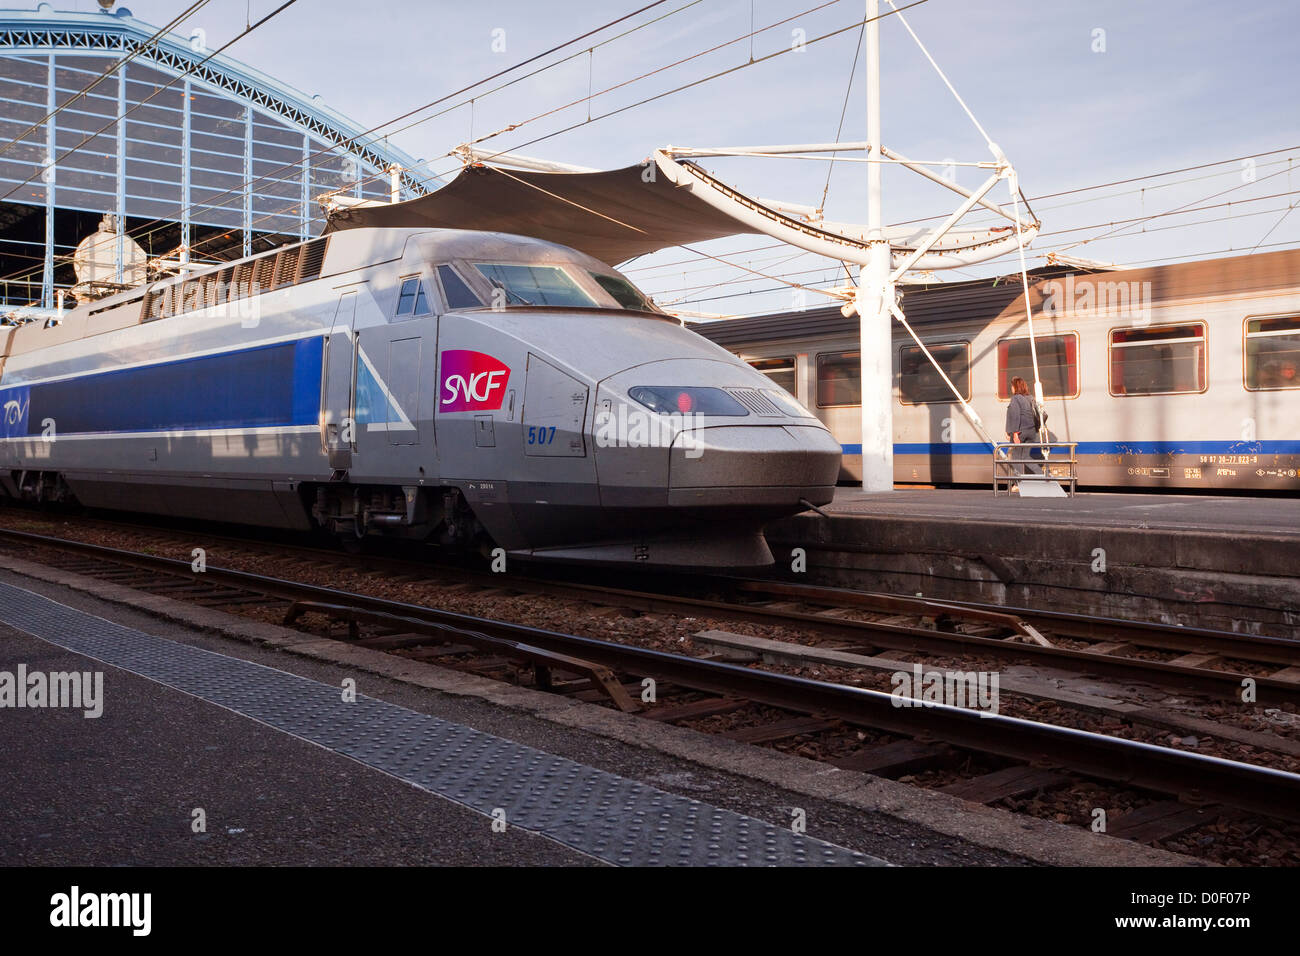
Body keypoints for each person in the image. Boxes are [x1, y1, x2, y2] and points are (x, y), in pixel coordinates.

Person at [1005, 376, 1042, 479]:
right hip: (1031, 432)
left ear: (1015, 387)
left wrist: (1015, 434)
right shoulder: (1030, 398)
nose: (1011, 388)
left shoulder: (1015, 398)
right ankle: (1043, 476)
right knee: (1025, 457)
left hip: (1020, 432)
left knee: (1016, 458)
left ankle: (1019, 483)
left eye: (1012, 386)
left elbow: (1015, 416)